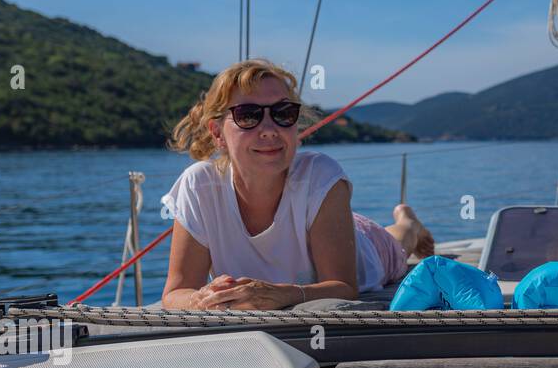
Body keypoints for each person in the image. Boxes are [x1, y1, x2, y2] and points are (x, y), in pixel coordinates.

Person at [160, 59, 434, 311]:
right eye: (247, 115)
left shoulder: (320, 175)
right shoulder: (199, 186)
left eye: (283, 112)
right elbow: (176, 293)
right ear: (217, 132)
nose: (269, 129)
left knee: (399, 241)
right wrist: (201, 298)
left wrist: (282, 294)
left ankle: (409, 221)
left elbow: (344, 287)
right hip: (327, 220)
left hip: (367, 246)